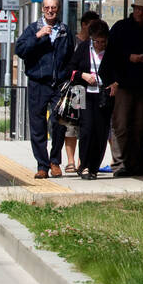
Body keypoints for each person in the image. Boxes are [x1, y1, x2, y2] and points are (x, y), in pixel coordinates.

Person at [15, 0, 75, 178]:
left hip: (59, 85)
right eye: (47, 7)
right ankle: (42, 165)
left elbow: (70, 56)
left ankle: (54, 161)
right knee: (37, 125)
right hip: (38, 84)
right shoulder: (33, 29)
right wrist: (38, 36)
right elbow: (20, 50)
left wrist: (67, 79)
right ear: (42, 9)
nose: (50, 11)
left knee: (59, 123)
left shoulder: (65, 30)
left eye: (53, 8)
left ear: (58, 9)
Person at [106, 0, 143, 177]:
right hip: (124, 83)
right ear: (133, 9)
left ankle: (134, 163)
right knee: (121, 124)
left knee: (139, 126)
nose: (141, 12)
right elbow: (111, 56)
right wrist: (130, 58)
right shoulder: (120, 28)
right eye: (138, 9)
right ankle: (119, 163)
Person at [70, 20, 118, 179]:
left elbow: (120, 70)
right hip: (83, 93)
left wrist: (116, 83)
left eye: (102, 41)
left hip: (103, 95)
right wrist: (82, 75)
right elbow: (70, 69)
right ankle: (83, 165)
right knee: (86, 129)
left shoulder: (112, 50)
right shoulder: (84, 48)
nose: (99, 45)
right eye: (96, 41)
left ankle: (93, 167)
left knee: (101, 131)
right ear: (91, 38)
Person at [63, 10, 99, 172]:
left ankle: (81, 161)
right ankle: (70, 161)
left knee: (87, 127)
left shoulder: (98, 43)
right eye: (92, 25)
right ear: (84, 25)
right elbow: (69, 66)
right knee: (72, 126)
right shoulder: (74, 42)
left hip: (92, 90)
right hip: (76, 89)